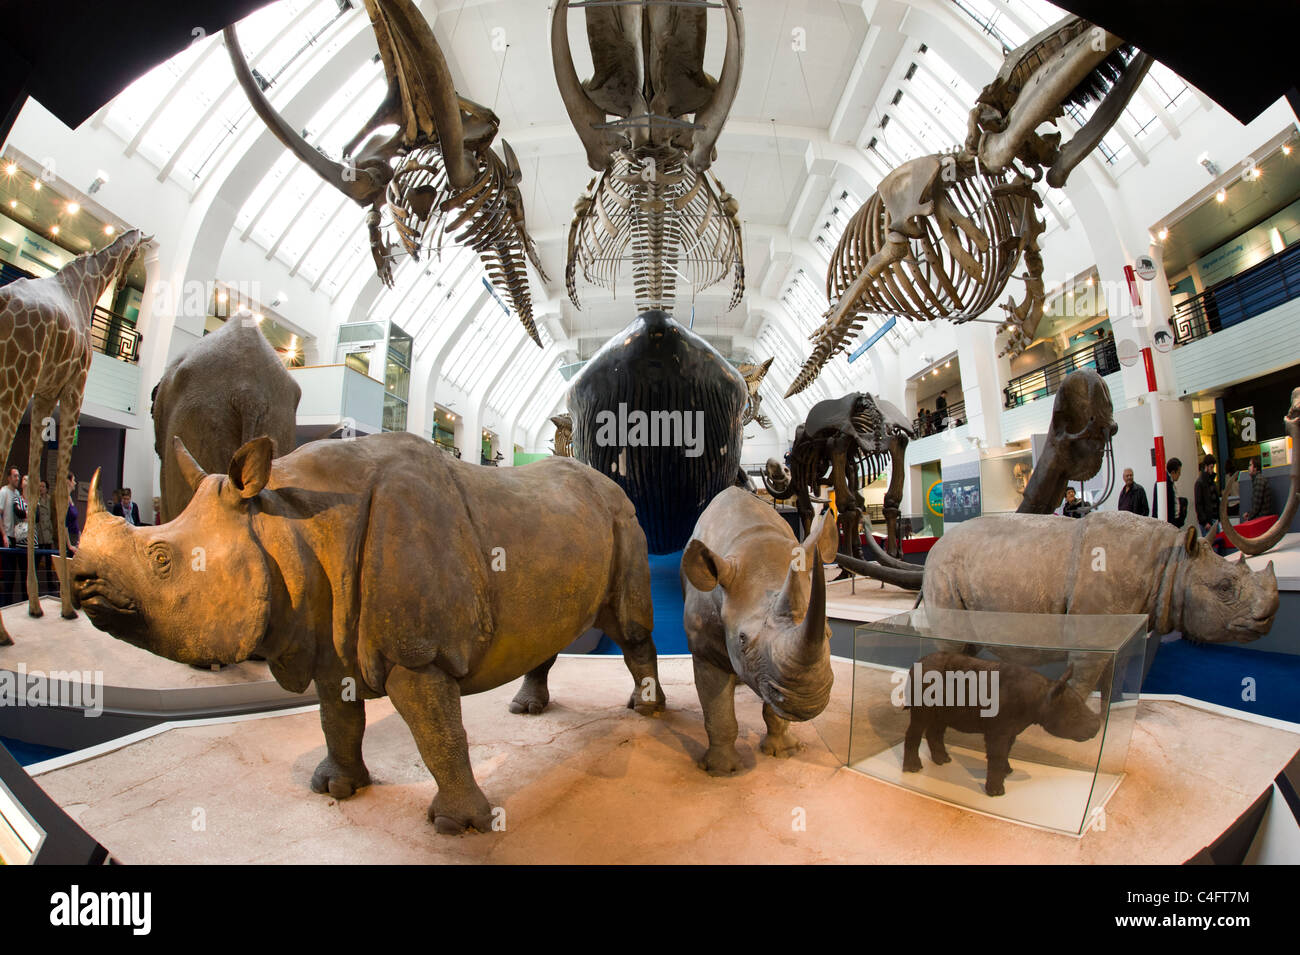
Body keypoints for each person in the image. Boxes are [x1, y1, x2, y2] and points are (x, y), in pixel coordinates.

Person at [1155, 457, 1188, 528]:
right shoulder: (1165, 484)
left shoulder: (1170, 482)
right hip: (1169, 524)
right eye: (1179, 472)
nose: (1180, 474)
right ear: (1173, 472)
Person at [1194, 454, 1221, 536]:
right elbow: (1199, 504)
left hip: (1214, 520)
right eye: (1211, 467)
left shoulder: (1211, 481)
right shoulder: (1200, 483)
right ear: (1206, 466)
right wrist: (1204, 522)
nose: (1212, 470)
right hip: (1208, 522)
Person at [1242, 456, 1274, 522]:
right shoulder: (1258, 479)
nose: (1248, 468)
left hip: (1262, 519)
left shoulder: (1259, 480)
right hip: (1263, 518)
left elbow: (1257, 505)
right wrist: (1249, 513)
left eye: (1250, 465)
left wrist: (1249, 517)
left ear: (1255, 468)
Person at [64, 473, 81, 554]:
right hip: (69, 538)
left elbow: (75, 521)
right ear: (68, 482)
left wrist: (80, 537)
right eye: (73, 480)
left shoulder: (70, 497)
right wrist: (69, 545)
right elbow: (64, 524)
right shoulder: (64, 499)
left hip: (75, 536)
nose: (75, 483)